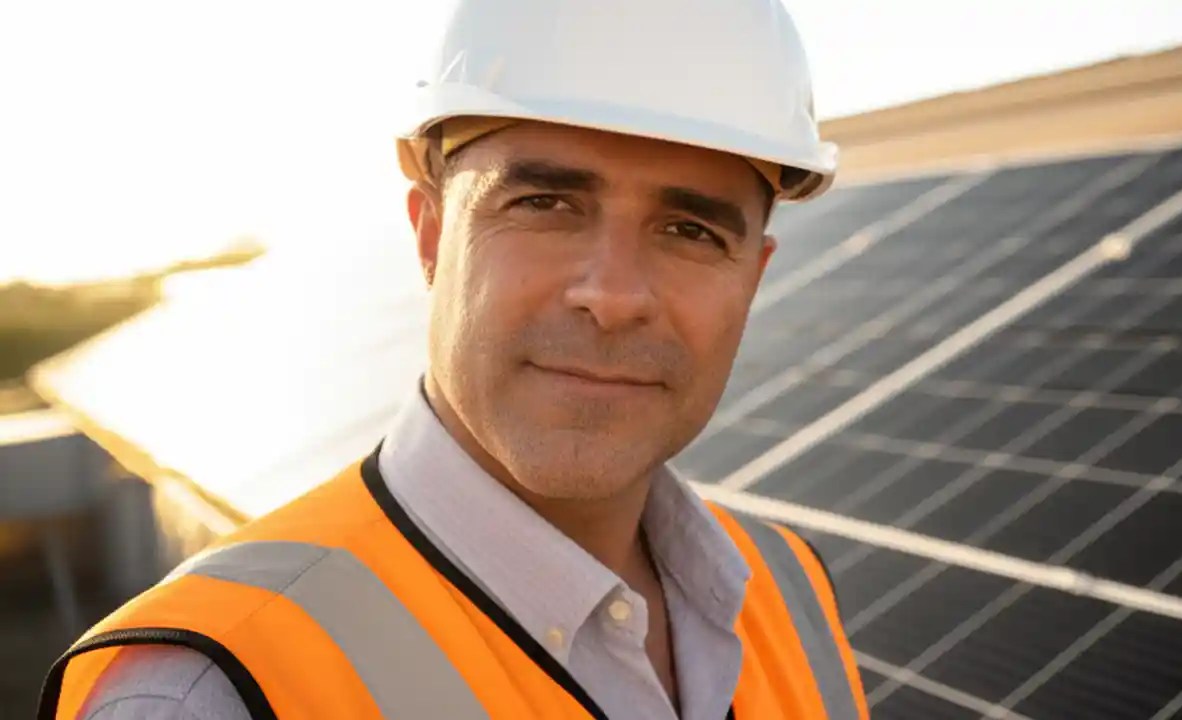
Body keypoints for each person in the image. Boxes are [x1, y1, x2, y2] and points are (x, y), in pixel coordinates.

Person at [39, 0, 869, 718]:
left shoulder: (791, 592)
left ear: (752, 278)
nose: (613, 296)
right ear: (433, 235)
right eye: (544, 203)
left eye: (691, 231)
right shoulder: (210, 691)